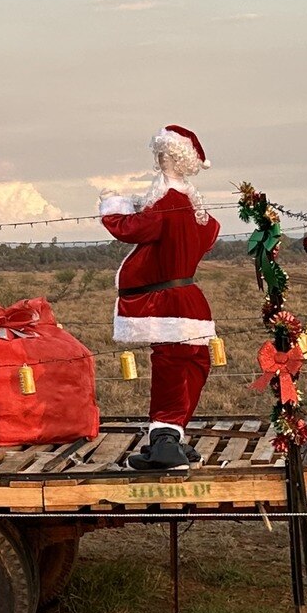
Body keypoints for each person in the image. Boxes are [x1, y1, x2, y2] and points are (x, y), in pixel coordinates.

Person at [100, 124, 221, 471]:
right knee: (192, 365)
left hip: (165, 301)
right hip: (189, 299)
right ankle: (174, 435)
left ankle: (165, 445)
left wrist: (112, 206)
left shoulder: (167, 201)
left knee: (170, 368)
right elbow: (209, 233)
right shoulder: (192, 204)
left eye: (161, 154)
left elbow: (133, 228)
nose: (158, 160)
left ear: (170, 157)